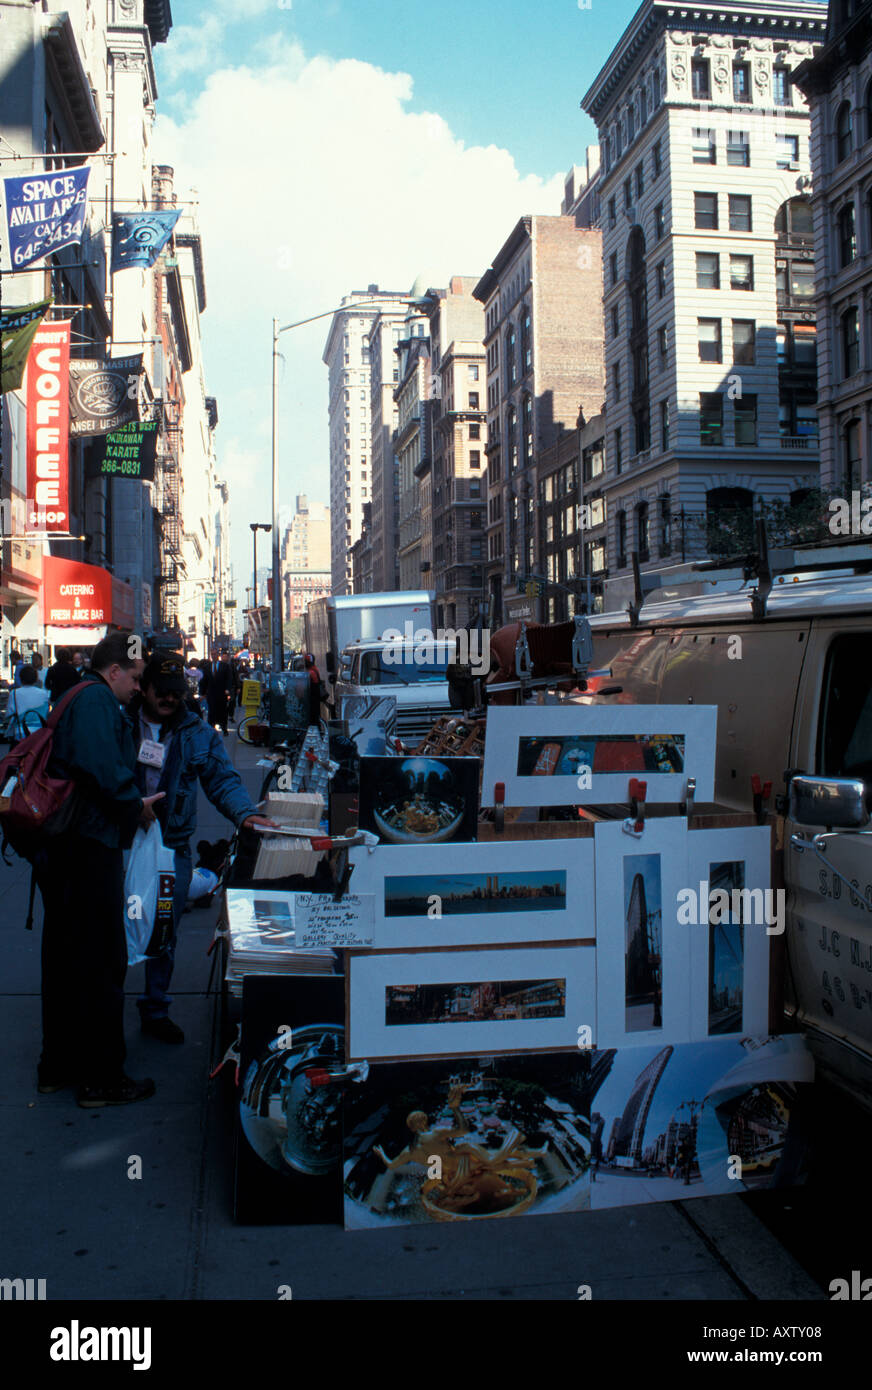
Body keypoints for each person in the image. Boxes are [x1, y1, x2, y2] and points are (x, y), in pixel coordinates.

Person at [36, 631, 164, 1107]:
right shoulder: (94, 702)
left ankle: (58, 1067)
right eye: (133, 678)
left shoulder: (74, 696)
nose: (137, 688)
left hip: (66, 851)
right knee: (100, 961)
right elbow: (106, 773)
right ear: (114, 671)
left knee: (67, 959)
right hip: (87, 849)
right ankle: (102, 1079)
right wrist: (138, 806)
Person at [129, 655, 276, 1040]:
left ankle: (155, 1009)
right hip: (123, 845)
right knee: (117, 927)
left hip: (171, 848)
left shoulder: (195, 731)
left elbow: (221, 778)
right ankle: (105, 1010)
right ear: (144, 688)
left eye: (176, 693)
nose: (168, 700)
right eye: (161, 692)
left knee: (164, 930)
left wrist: (244, 814)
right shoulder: (120, 723)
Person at [5, 665, 50, 741]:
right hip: (39, 732)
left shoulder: (14, 693)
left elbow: (9, 713)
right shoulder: (44, 694)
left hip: (20, 732)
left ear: (21, 678)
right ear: (35, 679)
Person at [206, 647, 235, 735]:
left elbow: (229, 679)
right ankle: (211, 728)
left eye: (215, 654)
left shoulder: (225, 666)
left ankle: (224, 728)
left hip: (222, 692)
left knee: (223, 711)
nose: (213, 656)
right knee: (211, 711)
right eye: (212, 654)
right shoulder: (207, 667)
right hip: (211, 693)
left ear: (218, 655)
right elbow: (204, 681)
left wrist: (228, 689)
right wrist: (203, 693)